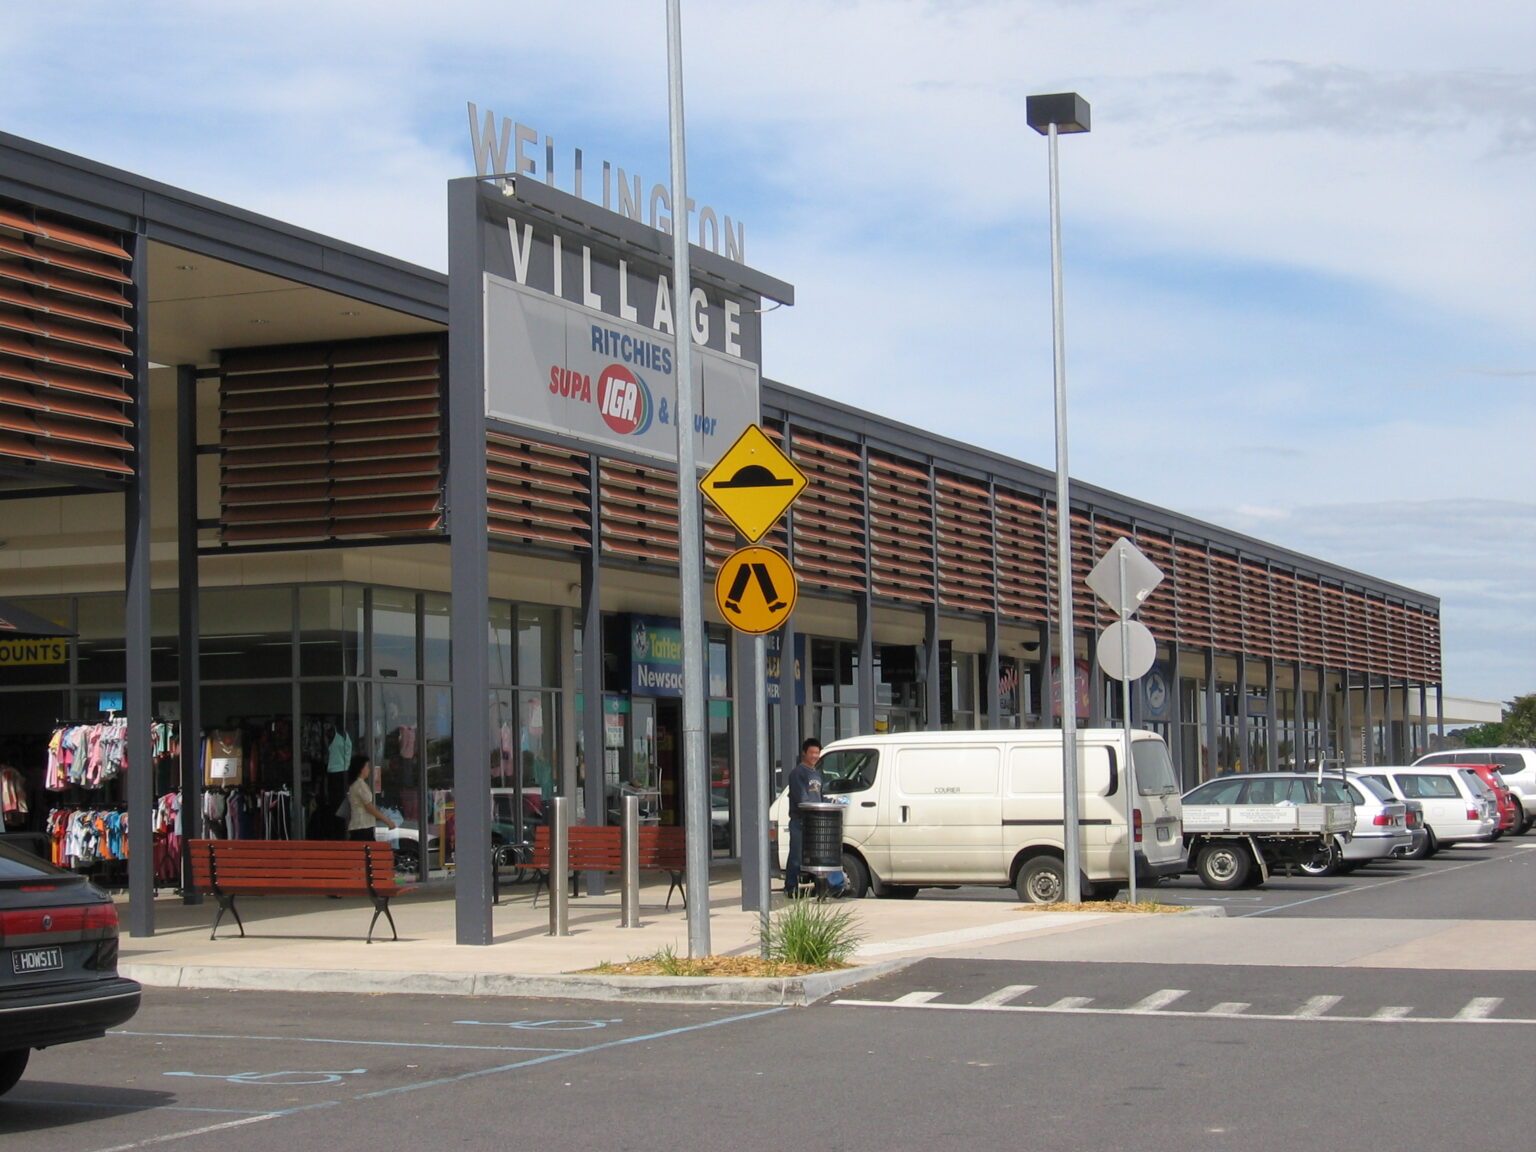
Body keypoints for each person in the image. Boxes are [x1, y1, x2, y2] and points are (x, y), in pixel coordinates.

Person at [784, 737, 823, 896]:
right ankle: (791, 888)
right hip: (800, 821)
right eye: (812, 752)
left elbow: (819, 796)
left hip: (814, 821)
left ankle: (820, 888)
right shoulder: (797, 773)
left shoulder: (817, 774)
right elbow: (802, 798)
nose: (815, 756)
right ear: (804, 753)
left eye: (817, 753)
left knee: (816, 857)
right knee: (796, 856)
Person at [345, 754, 396, 842]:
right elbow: (370, 808)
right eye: (367, 767)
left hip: (360, 826)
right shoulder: (360, 785)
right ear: (361, 769)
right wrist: (387, 821)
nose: (369, 769)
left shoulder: (356, 785)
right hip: (362, 826)